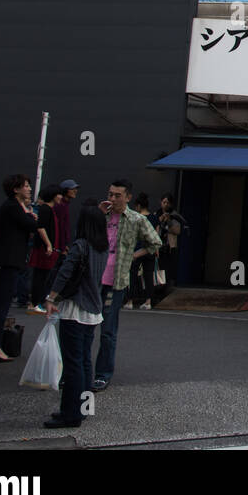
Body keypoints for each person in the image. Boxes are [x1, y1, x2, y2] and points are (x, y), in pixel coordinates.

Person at [92, 178, 162, 390]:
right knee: (82, 327)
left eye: (117, 195)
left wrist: (134, 255)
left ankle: (103, 373)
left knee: (107, 330)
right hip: (93, 279)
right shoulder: (101, 215)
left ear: (128, 197)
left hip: (116, 281)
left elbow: (155, 242)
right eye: (110, 194)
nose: (112, 198)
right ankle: (76, 372)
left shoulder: (135, 219)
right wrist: (97, 213)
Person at [43, 205, 108, 429]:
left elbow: (64, 273)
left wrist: (51, 298)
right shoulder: (102, 248)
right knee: (85, 361)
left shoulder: (80, 246)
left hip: (74, 308)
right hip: (93, 309)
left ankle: (69, 414)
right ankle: (83, 408)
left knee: (72, 364)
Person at [0, 176, 40, 362]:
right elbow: (32, 225)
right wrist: (31, 215)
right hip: (6, 262)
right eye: (26, 186)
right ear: (16, 189)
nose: (29, 189)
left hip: (3, 260)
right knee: (0, 304)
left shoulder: (14, 207)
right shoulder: (13, 207)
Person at [28, 185, 63, 312]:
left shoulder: (49, 209)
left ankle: (38, 302)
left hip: (47, 248)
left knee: (43, 276)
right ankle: (35, 303)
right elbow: (41, 227)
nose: (61, 197)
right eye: (59, 194)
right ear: (53, 195)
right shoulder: (45, 209)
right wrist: (48, 244)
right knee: (40, 276)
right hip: (43, 248)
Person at [128, 193, 158, 310]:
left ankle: (130, 301)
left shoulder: (136, 218)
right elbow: (156, 234)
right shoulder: (154, 218)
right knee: (148, 276)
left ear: (139, 206)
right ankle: (148, 301)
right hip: (150, 250)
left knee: (132, 275)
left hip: (137, 249)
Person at [154, 193, 183, 290]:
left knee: (168, 270)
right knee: (158, 269)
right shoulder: (156, 214)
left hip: (169, 246)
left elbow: (177, 231)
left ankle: (166, 290)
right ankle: (158, 290)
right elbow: (151, 228)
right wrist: (160, 220)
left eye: (168, 203)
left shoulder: (174, 216)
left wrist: (169, 222)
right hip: (158, 247)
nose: (166, 204)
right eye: (164, 202)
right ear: (160, 202)